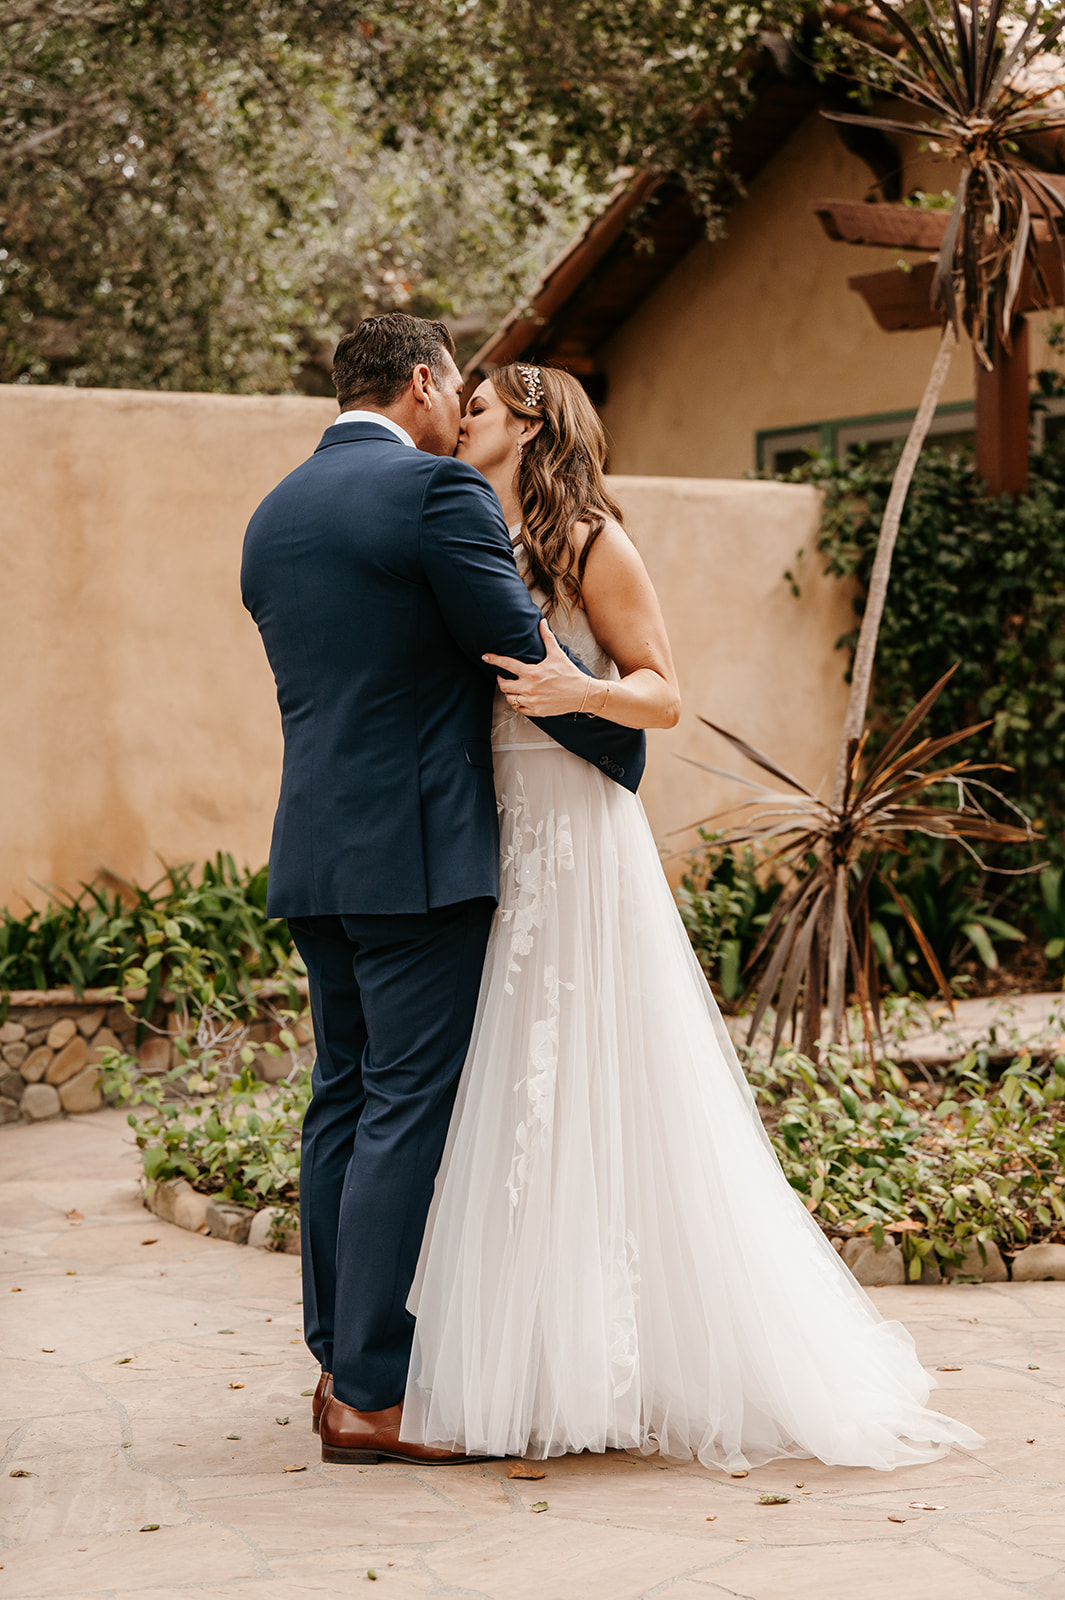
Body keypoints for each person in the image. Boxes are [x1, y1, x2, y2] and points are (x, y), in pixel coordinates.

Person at [399, 362, 982, 1472]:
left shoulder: (594, 544)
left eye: (479, 408)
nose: (460, 417)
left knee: (602, 1072)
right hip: (506, 830)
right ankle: (542, 1366)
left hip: (579, 825)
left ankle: (629, 1362)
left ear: (529, 423)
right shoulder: (482, 544)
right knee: (524, 1082)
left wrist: (584, 693)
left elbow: (662, 689)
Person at [240, 315, 645, 1466]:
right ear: (422, 381)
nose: (460, 411)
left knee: (344, 1098)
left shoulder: (274, 516)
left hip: (313, 851)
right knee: (408, 1108)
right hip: (419, 855)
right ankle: (374, 1394)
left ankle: (333, 1362)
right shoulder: (433, 496)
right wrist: (614, 774)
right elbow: (517, 648)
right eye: (455, 389)